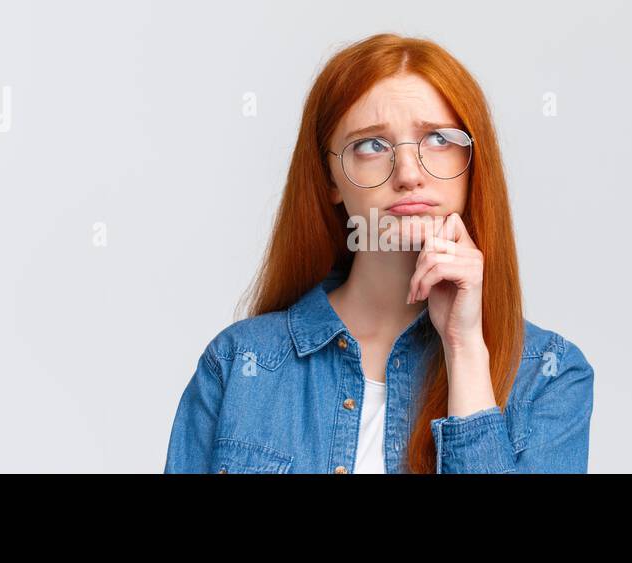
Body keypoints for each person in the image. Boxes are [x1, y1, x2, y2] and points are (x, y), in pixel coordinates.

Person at [165, 33, 594, 474]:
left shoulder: (550, 375)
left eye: (439, 140)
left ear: (473, 164)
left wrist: (464, 349)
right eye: (371, 145)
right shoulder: (238, 365)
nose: (408, 174)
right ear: (329, 179)